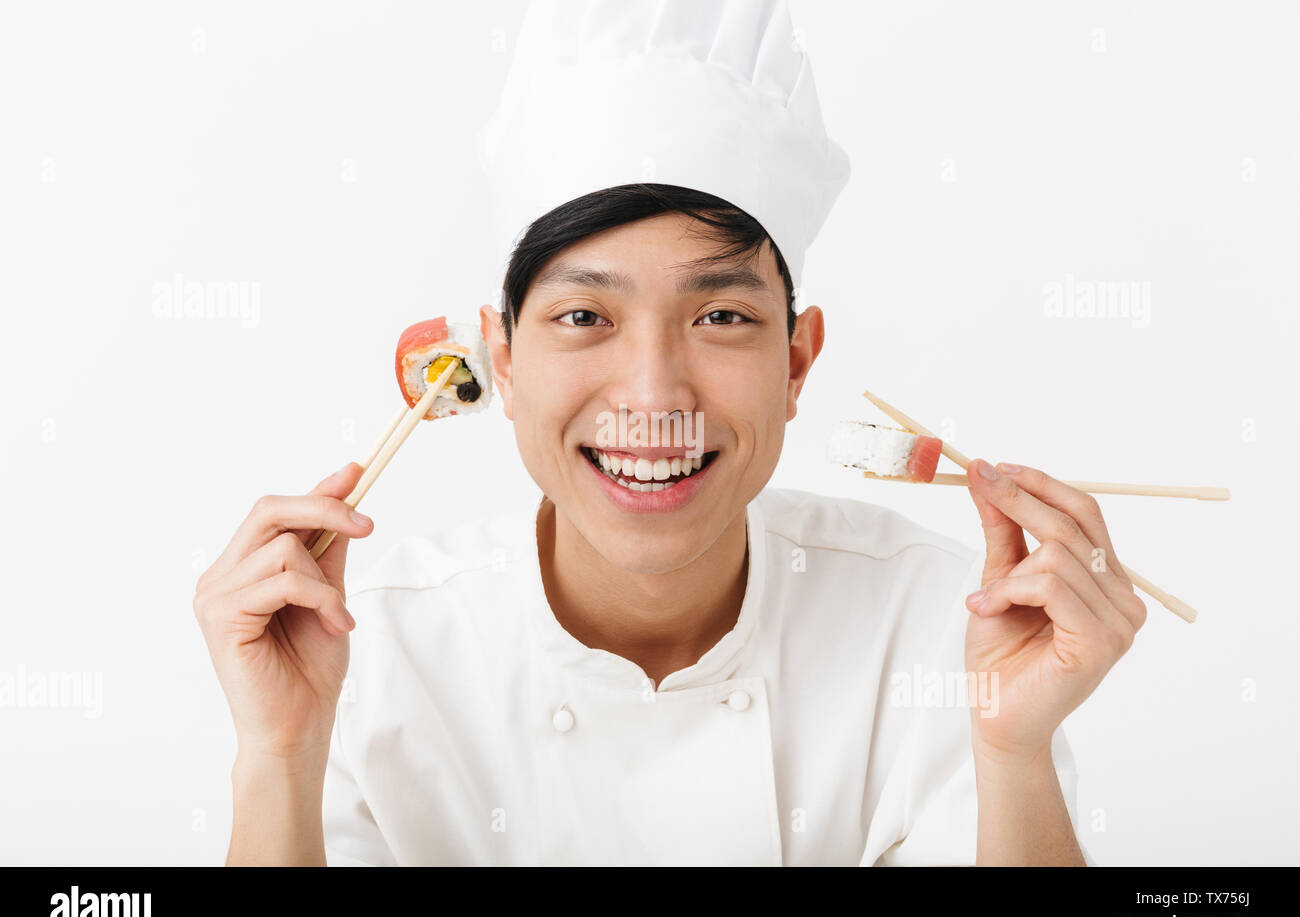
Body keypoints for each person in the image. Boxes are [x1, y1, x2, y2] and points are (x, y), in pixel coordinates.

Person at [192, 0, 1145, 866]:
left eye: (720, 317)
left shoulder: (946, 630)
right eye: (583, 318)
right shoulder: (369, 650)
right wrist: (276, 756)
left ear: (796, 364)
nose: (654, 395)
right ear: (505, 361)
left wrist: (1013, 755)